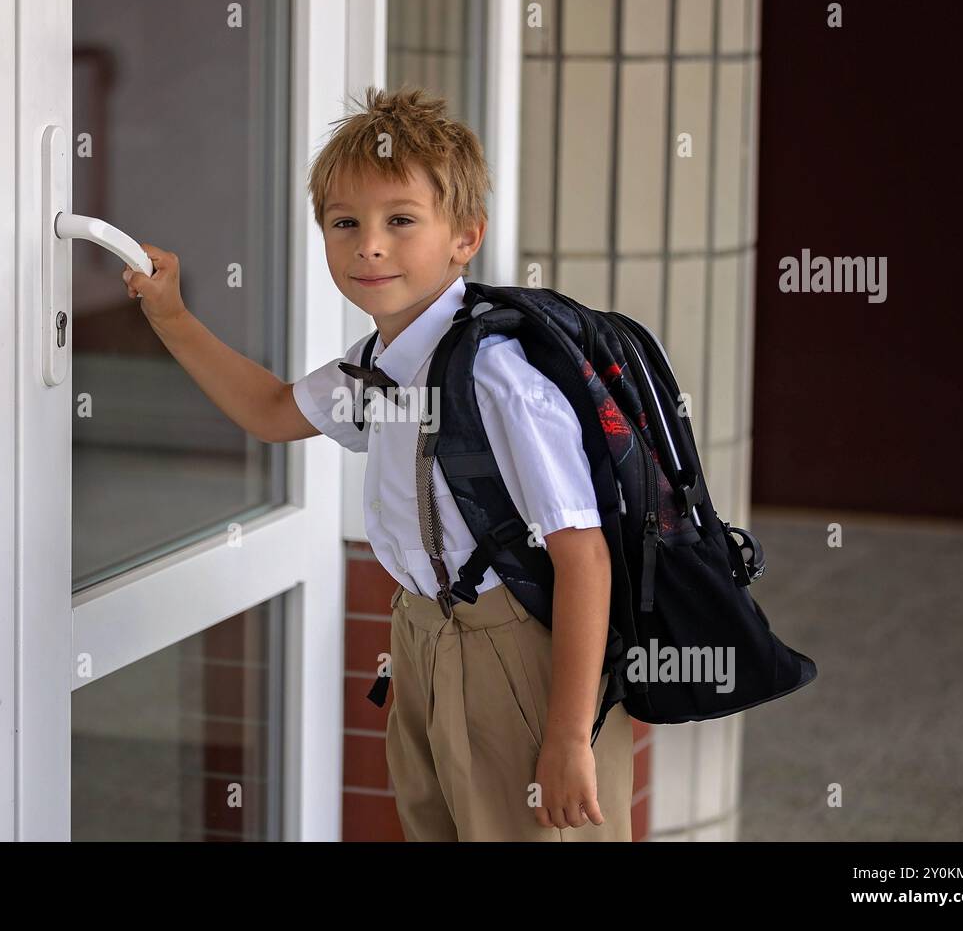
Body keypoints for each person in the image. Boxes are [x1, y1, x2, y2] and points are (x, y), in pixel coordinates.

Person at [122, 85, 632, 841]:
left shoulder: (498, 376)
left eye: (401, 221)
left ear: (464, 237)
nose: (369, 244)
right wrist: (172, 315)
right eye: (345, 223)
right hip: (425, 637)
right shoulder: (378, 364)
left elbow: (583, 557)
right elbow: (269, 410)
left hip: (516, 653)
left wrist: (565, 739)